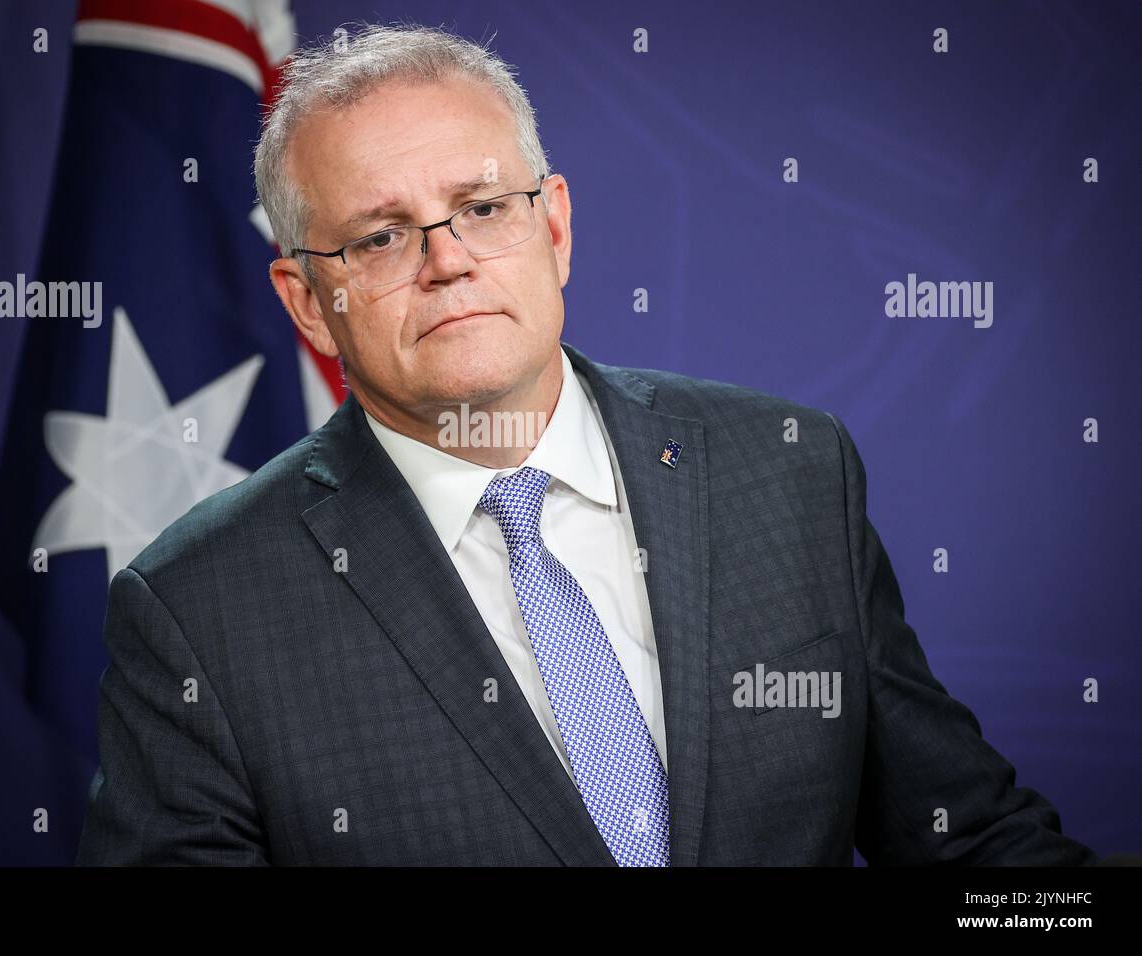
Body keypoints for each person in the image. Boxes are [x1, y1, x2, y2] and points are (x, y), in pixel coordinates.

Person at [75, 22, 1095, 866]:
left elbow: (969, 845)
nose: (448, 261)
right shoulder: (198, 608)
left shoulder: (786, 470)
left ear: (552, 229)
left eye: (481, 208)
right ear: (306, 301)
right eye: (381, 236)